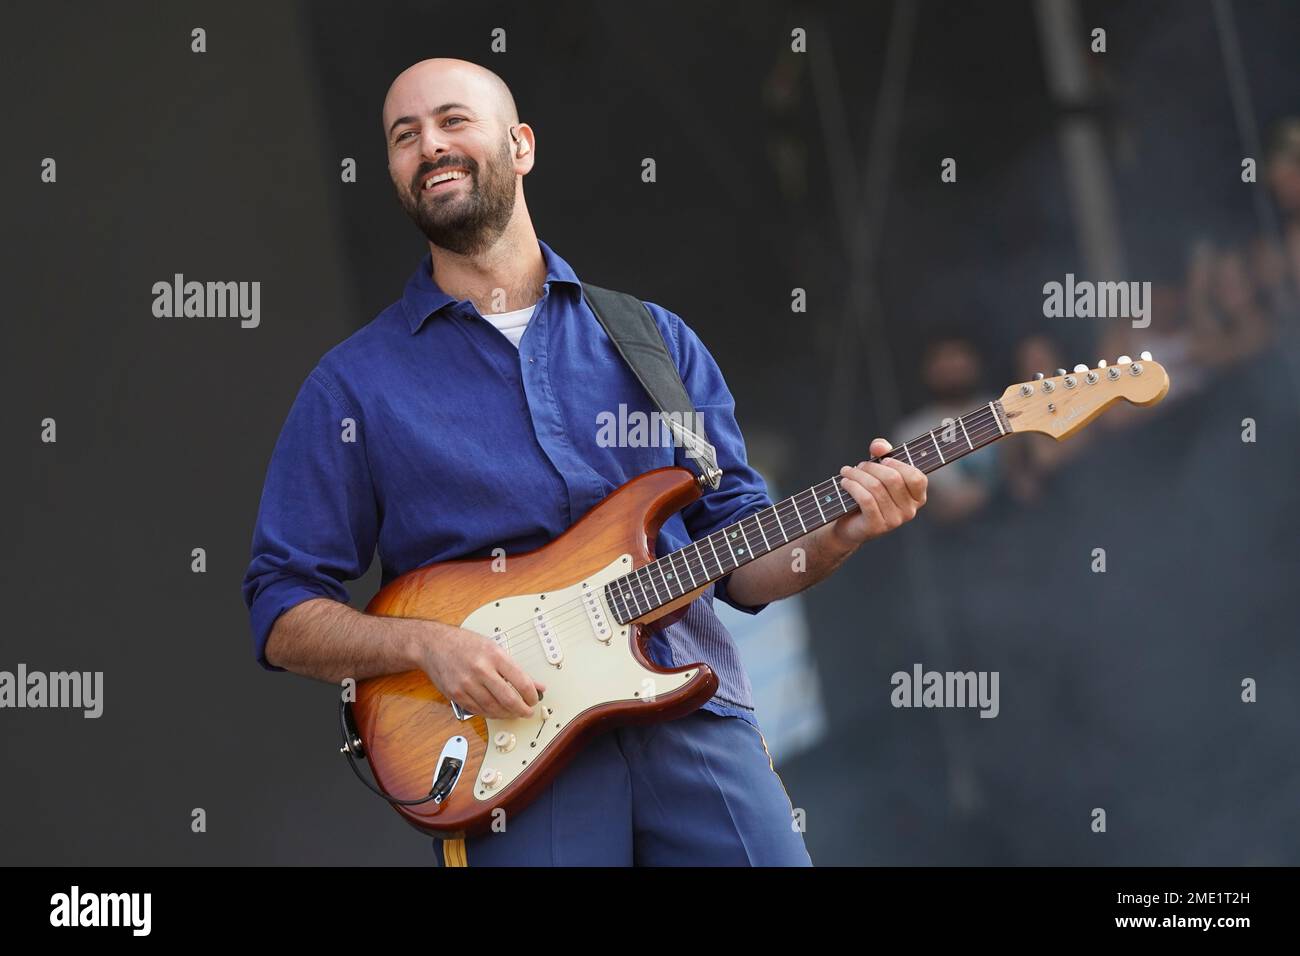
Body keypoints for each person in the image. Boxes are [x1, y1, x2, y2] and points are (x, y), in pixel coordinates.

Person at [241, 58, 928, 866]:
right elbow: (282, 605)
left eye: (453, 120)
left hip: (691, 716)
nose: (430, 145)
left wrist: (838, 531)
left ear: (520, 144)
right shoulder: (353, 387)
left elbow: (742, 560)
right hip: (509, 756)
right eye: (404, 136)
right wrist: (424, 648)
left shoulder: (654, 341)